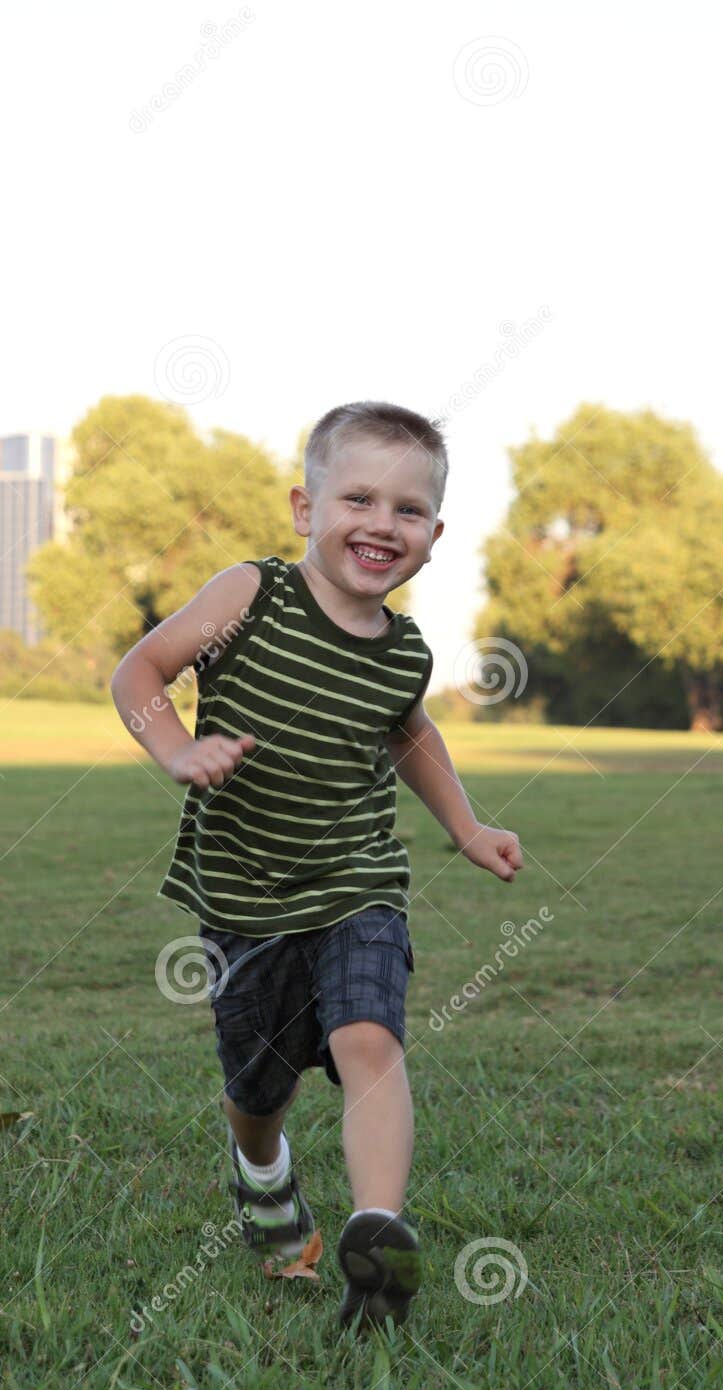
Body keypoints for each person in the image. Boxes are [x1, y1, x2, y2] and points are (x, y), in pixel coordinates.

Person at [111, 400, 522, 1331]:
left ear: (433, 538)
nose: (383, 523)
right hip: (244, 899)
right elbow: (139, 672)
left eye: (408, 510)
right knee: (258, 1090)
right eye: (359, 499)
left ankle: (377, 1235)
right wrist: (177, 750)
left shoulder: (405, 652)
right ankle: (261, 1168)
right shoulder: (250, 594)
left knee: (369, 1038)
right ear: (306, 508)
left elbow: (410, 738)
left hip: (356, 882)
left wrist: (464, 828)